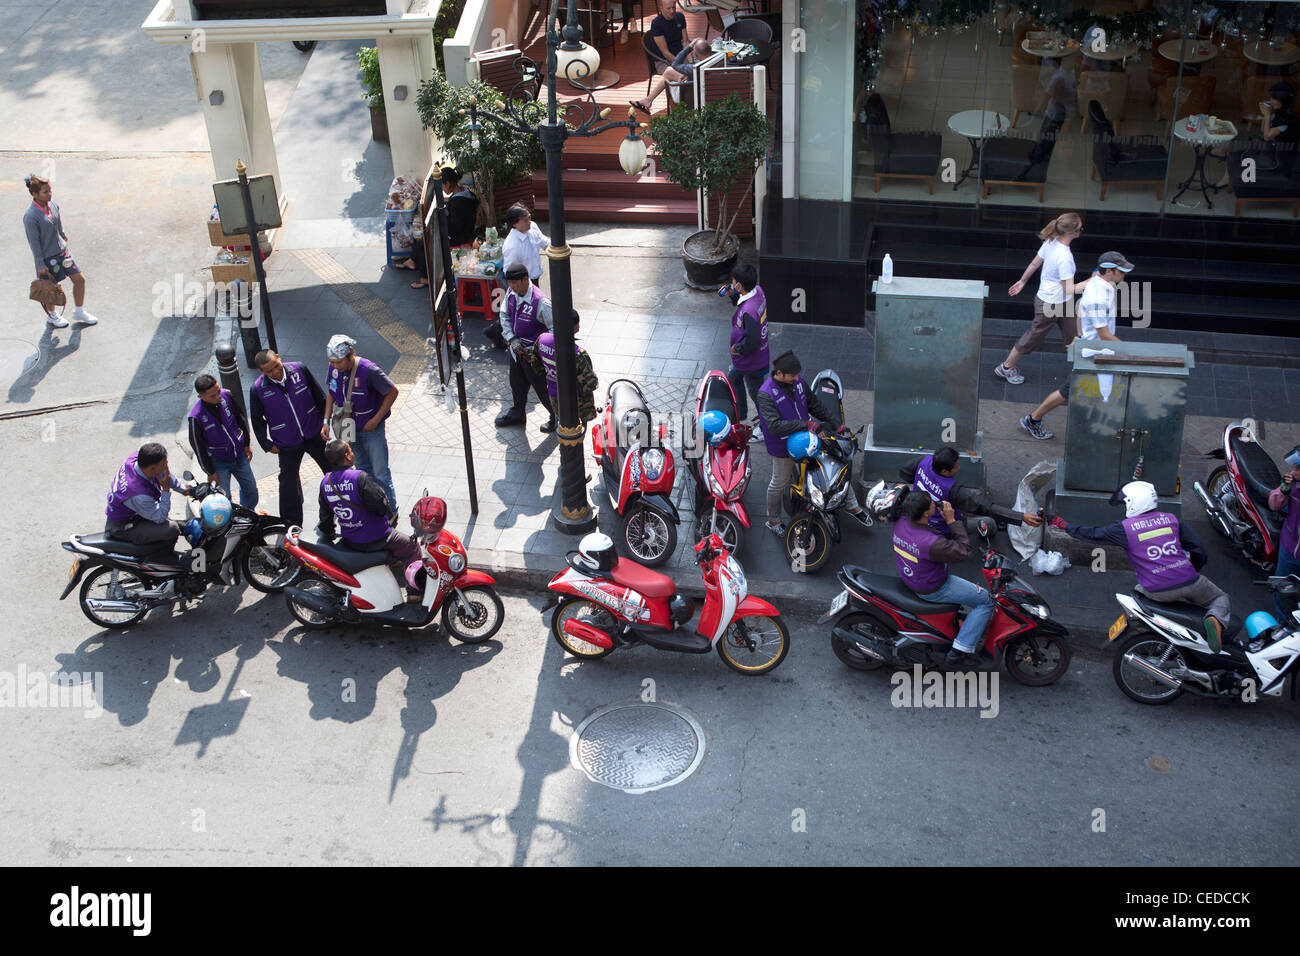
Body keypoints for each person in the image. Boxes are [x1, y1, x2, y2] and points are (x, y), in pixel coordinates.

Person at [1051, 480, 1234, 651]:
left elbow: (1092, 534)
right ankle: (1214, 618)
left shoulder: (1124, 528)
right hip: (1191, 581)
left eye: (1125, 504)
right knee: (1219, 598)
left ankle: (1144, 630)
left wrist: (1064, 525)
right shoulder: (1171, 520)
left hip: (1157, 590)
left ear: (1132, 503)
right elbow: (1199, 549)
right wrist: (1192, 572)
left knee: (1136, 595)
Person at [756, 349, 872, 536]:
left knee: (835, 465)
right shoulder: (765, 394)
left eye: (797, 374)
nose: (797, 378)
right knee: (778, 483)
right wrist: (806, 424)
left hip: (808, 439)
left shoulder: (799, 382)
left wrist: (837, 425)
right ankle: (773, 520)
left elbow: (815, 405)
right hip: (783, 447)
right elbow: (774, 425)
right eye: (792, 375)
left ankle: (852, 506)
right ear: (779, 374)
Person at [1020, 250, 1134, 440]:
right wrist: (1129, 351)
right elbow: (1104, 334)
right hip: (1094, 354)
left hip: (1095, 349)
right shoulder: (1098, 297)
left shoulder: (1097, 280)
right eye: (1121, 271)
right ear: (1109, 271)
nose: (1125, 274)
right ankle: (1033, 419)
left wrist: (1079, 335)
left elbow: (1080, 308)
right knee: (1068, 391)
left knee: (1094, 389)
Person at [891, 490, 995, 669]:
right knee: (985, 601)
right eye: (931, 502)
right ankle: (959, 651)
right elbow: (965, 552)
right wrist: (951, 521)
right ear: (925, 513)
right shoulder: (930, 543)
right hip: (934, 587)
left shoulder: (901, 523)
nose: (934, 503)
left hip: (912, 577)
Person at [317, 439, 421, 595]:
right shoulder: (360, 477)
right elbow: (381, 508)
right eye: (350, 451)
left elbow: (325, 520)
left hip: (350, 541)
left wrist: (330, 533)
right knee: (412, 547)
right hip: (379, 538)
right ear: (347, 456)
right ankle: (415, 591)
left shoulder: (325, 482)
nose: (353, 453)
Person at [993, 212, 1085, 385]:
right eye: (1081, 229)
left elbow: (1035, 263)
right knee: (1032, 337)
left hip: (1060, 301)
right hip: (1051, 304)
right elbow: (1069, 288)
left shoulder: (1051, 241)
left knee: (1075, 334)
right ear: (1071, 231)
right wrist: (1092, 281)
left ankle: (1082, 370)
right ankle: (1006, 367)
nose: (1081, 231)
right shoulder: (1065, 257)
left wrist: (1022, 281)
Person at [248, 349, 330, 528]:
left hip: (314, 432)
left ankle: (343, 506)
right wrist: (266, 443)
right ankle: (291, 524)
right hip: (286, 442)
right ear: (262, 372)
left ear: (279, 357)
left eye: (276, 367)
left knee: (332, 470)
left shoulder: (299, 369)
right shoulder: (257, 389)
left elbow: (320, 397)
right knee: (288, 483)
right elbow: (256, 419)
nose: (275, 373)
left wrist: (326, 422)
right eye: (269, 371)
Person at [320, 335, 399, 511]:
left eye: (338, 362)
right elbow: (331, 393)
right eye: (332, 362)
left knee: (381, 473)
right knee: (361, 468)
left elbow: (392, 392)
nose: (334, 366)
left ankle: (390, 511)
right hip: (349, 427)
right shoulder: (333, 369)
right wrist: (326, 421)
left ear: (350, 356)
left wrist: (375, 420)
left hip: (371, 430)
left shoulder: (369, 370)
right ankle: (373, 504)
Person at [900, 446, 1042, 535]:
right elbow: (985, 506)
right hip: (943, 526)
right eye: (956, 467)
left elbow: (905, 472)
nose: (959, 468)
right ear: (944, 471)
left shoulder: (926, 460)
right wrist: (1021, 516)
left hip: (922, 515)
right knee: (990, 522)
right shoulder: (953, 490)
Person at [23, 174, 98, 329]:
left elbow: (58, 223)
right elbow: (34, 242)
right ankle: (52, 316)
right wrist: (40, 263)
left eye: (50, 190)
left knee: (80, 280)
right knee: (51, 289)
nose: (49, 194)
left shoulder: (53, 204)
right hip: (47, 257)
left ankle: (79, 311)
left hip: (63, 252)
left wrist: (62, 235)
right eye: (45, 192)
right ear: (34, 194)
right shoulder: (30, 216)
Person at [495, 263, 556, 430]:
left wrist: (539, 350)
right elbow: (504, 315)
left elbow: (554, 330)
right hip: (516, 351)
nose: (512, 287)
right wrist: (511, 338)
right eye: (509, 283)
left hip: (535, 357)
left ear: (525, 280)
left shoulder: (541, 302)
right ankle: (517, 414)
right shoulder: (511, 293)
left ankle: (557, 417)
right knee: (517, 384)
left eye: (515, 283)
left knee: (543, 389)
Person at [104, 443, 195, 551]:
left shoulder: (138, 459)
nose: (166, 466)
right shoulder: (138, 495)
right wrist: (166, 490)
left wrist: (183, 489)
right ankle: (163, 557)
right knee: (172, 529)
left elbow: (165, 475)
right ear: (152, 469)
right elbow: (160, 517)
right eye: (164, 464)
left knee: (181, 524)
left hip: (135, 514)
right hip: (122, 528)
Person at [188, 374, 258, 509]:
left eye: (218, 391)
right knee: (223, 498)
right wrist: (210, 472)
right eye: (212, 395)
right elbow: (198, 447)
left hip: (239, 456)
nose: (218, 396)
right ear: (200, 397)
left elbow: (240, 418)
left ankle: (249, 512)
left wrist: (247, 444)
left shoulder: (227, 396)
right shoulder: (196, 417)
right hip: (218, 463)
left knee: (251, 490)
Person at [1215, 82, 1300, 191]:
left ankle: (1224, 161)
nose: (1271, 100)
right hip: (1271, 147)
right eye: (1271, 97)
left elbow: (1267, 136)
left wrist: (1268, 115)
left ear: (1284, 100)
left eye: (1275, 98)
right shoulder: (1278, 115)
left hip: (1276, 157)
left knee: (1235, 146)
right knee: (1237, 138)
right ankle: (1226, 173)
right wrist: (1266, 116)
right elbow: (1263, 130)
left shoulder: (1286, 120)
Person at [534, 310, 599, 429]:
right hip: (576, 402)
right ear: (576, 326)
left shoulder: (542, 340)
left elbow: (537, 366)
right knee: (577, 432)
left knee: (561, 426)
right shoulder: (578, 354)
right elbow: (591, 384)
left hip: (554, 396)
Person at [723, 262, 769, 425]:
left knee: (757, 395)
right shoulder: (758, 292)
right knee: (733, 377)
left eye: (734, 282)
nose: (732, 283)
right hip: (752, 358)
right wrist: (733, 295)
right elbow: (744, 301)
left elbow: (752, 340)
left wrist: (737, 348)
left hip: (751, 361)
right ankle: (740, 414)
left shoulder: (749, 312)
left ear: (740, 285)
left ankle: (766, 426)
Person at [631, 36, 707, 114]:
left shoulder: (694, 69)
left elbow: (675, 64)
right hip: (707, 92)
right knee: (670, 72)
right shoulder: (715, 62)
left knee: (668, 72)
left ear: (695, 54)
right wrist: (689, 74)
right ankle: (648, 100)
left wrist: (689, 47)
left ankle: (649, 100)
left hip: (693, 96)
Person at [1268, 445, 1300, 619]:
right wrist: (1283, 490)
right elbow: (1274, 504)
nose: (1293, 471)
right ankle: (1282, 624)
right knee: (1281, 590)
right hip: (1288, 548)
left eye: (1297, 468)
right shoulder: (1293, 487)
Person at [501, 203, 549, 288]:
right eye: (525, 220)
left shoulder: (533, 227)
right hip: (523, 285)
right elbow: (509, 273)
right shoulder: (512, 246)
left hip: (535, 279)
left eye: (529, 217)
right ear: (514, 224)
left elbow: (544, 243)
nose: (529, 222)